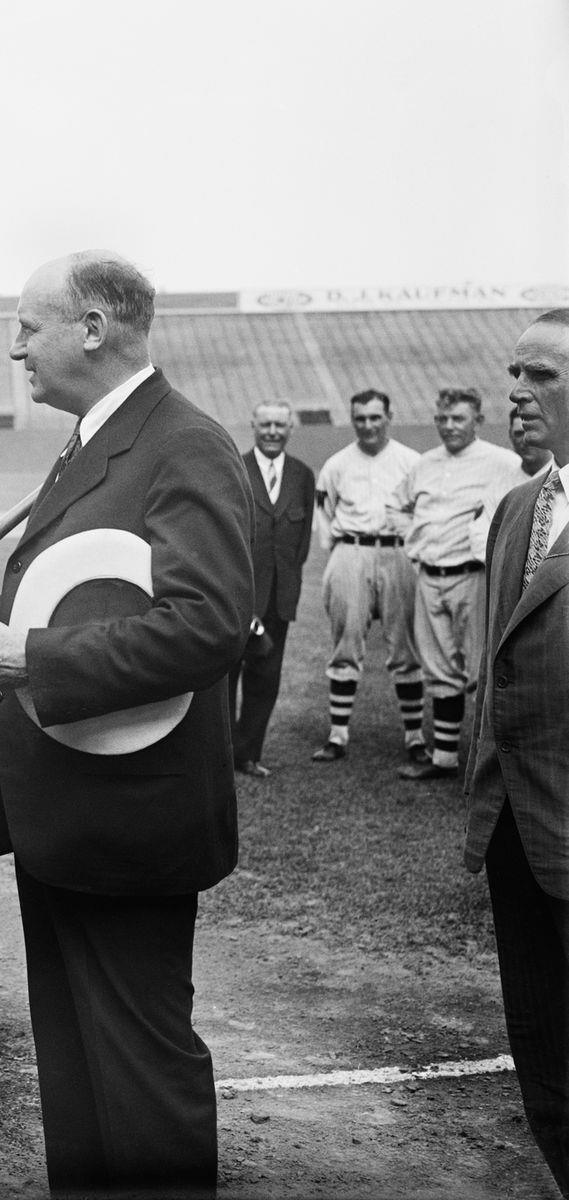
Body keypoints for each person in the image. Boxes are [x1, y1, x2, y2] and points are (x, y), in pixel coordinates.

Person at [0, 251, 252, 1194]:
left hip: (128, 824)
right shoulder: (101, 436)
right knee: (77, 1072)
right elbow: (97, 597)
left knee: (138, 1074)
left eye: (28, 325)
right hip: (69, 816)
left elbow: (207, 627)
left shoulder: (182, 442)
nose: (13, 346)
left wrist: (23, 657)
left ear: (93, 329)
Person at [464, 308, 569, 1195]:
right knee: (545, 1056)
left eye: (541, 375)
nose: (517, 393)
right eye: (514, 374)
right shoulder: (516, 507)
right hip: (514, 830)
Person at [390, 388, 520, 782]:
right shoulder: (425, 463)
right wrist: (413, 540)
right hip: (429, 576)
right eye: (442, 419)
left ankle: (493, 764)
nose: (449, 426)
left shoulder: (503, 462)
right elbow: (396, 505)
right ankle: (445, 758)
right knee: (440, 668)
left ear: (477, 421)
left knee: (485, 670)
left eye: (458, 419)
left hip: (471, 575)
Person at [310, 390, 424, 763]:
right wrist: (342, 554)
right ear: (352, 419)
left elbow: (425, 511)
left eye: (375, 417)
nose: (368, 425)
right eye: (360, 418)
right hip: (351, 551)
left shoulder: (411, 461)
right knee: (345, 643)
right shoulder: (337, 464)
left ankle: (415, 737)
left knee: (405, 648)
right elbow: (324, 514)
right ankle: (338, 735)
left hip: (399, 553)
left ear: (389, 417)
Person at [228, 401, 315, 777]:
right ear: (253, 425)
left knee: (266, 677)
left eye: (280, 424)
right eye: (266, 424)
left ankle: (248, 754)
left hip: (279, 597)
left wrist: (288, 586)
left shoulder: (302, 475)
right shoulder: (235, 470)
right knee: (225, 677)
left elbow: (303, 540)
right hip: (236, 598)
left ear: (290, 427)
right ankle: (222, 754)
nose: (273, 431)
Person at [510, 407, 553, 477]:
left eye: (533, 432)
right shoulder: (502, 482)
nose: (525, 440)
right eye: (519, 433)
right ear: (511, 436)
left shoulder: (564, 477)